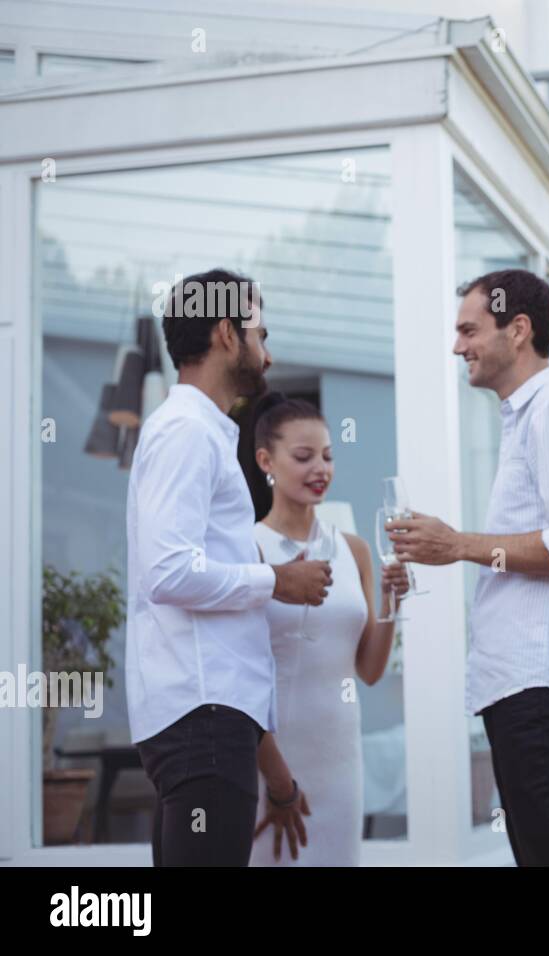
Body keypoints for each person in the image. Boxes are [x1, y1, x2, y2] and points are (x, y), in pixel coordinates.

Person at [389, 269, 549, 866]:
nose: (457, 345)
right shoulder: (530, 412)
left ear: (518, 331)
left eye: (468, 329)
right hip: (530, 689)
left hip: (540, 687)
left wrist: (457, 545)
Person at [126, 269, 331, 866]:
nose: (268, 354)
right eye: (259, 335)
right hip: (204, 721)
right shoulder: (187, 431)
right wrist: (276, 580)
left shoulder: (199, 432)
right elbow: (168, 573)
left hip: (205, 720)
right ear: (224, 334)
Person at [239, 392, 408, 865]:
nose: (321, 468)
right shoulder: (247, 550)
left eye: (328, 456)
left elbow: (369, 670)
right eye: (303, 456)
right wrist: (278, 781)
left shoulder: (353, 549)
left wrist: (393, 600)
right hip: (273, 759)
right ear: (266, 461)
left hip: (339, 759)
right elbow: (239, 675)